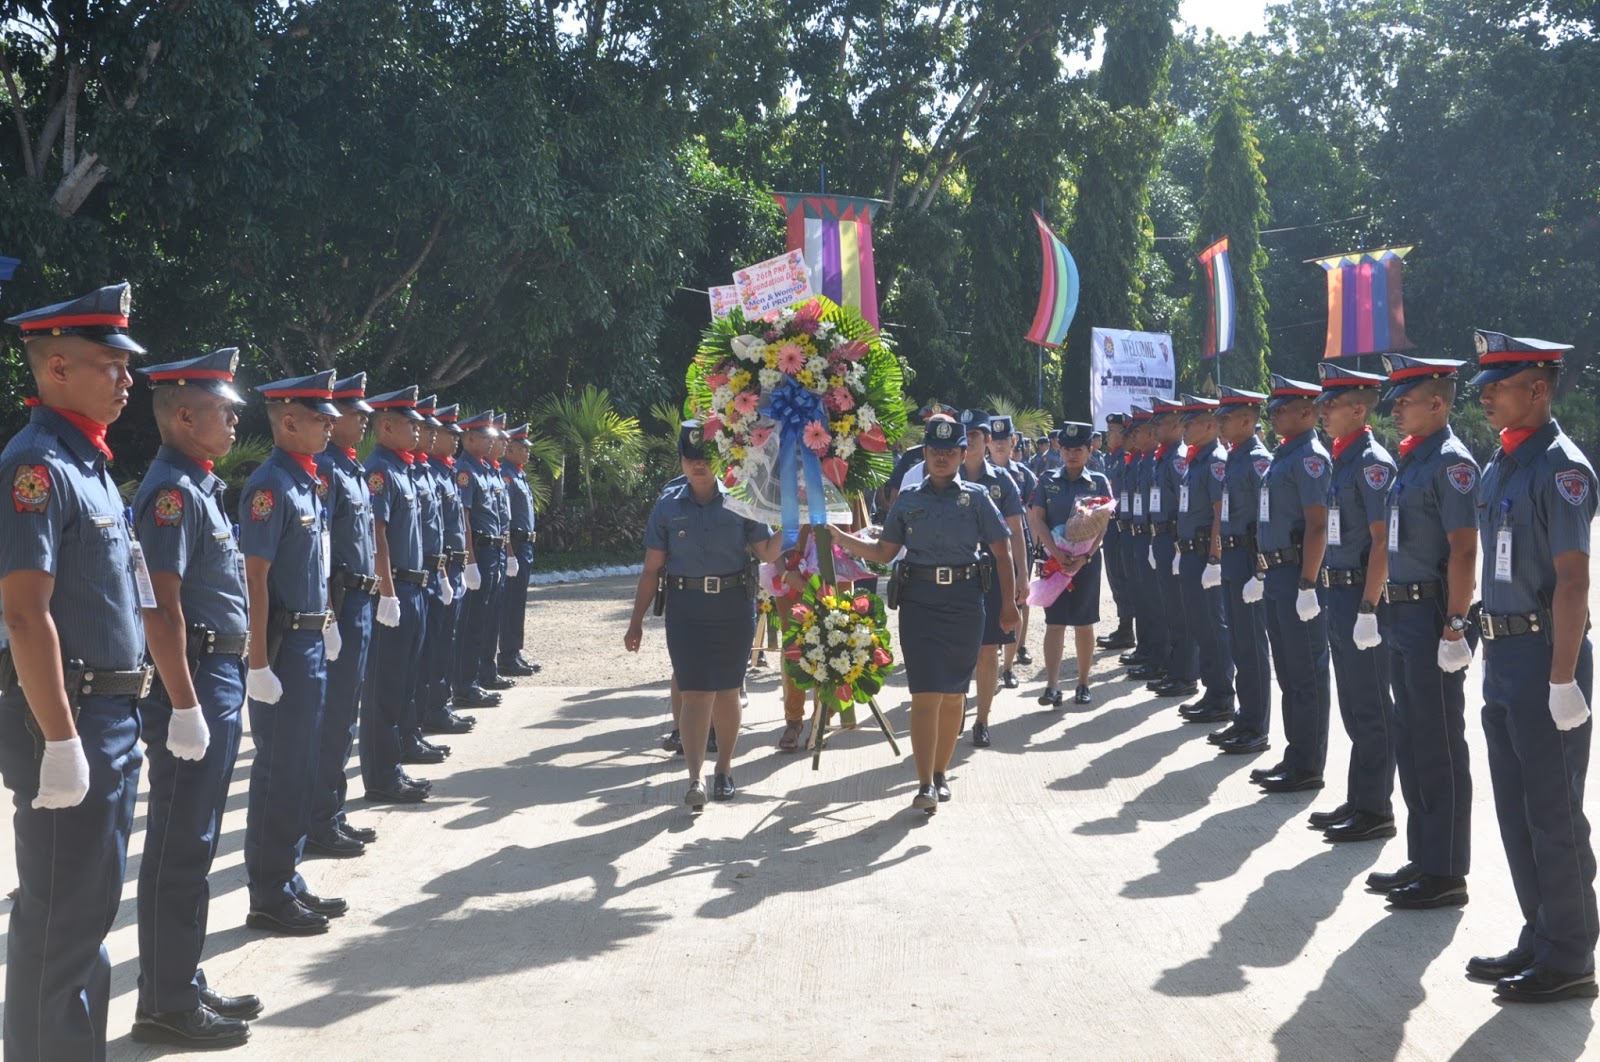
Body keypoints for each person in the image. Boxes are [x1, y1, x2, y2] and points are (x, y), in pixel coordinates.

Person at [0, 283, 151, 1059]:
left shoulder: (88, 464)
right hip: (69, 718)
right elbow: (27, 613)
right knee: (57, 923)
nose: (127, 380)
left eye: (128, 366)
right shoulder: (34, 465)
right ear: (56, 366)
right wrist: (60, 737)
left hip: (110, 717)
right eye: (110, 364)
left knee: (87, 918)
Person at [130, 349, 256, 1047]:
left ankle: (181, 979)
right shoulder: (172, 493)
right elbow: (162, 607)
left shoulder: (197, 487)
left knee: (196, 840)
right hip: (196, 677)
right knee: (181, 842)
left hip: (215, 676)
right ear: (184, 416)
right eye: (222, 408)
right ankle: (165, 1003)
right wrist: (183, 703)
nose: (235, 418)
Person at [1468, 329, 1598, 1001]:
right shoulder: (1500, 466)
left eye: (1499, 386)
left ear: (1539, 389)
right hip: (1504, 653)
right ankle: (1541, 933)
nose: (1486, 398)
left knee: (1553, 811)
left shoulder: (1561, 468)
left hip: (1548, 655)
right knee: (1518, 811)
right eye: (1483, 388)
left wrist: (1562, 679)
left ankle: (1572, 955)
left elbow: (1573, 581)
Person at [833, 415, 1018, 811]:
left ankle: (940, 772)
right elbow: (884, 552)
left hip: (967, 602)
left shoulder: (978, 498)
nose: (941, 458)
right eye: (935, 451)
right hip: (919, 601)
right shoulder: (909, 499)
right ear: (926, 453)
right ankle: (923, 784)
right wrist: (839, 537)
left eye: (950, 452)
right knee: (924, 694)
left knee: (953, 695)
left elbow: (1002, 552)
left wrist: (1009, 605)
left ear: (962, 454)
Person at [1368, 353, 1479, 910]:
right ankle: (1424, 855)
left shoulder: (1451, 462)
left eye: (1405, 402)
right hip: (1402, 613)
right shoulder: (1414, 461)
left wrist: (1456, 627)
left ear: (1437, 403)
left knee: (1437, 742)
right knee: (1412, 739)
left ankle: (1447, 871)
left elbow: (1463, 549)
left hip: (1435, 614)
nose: (1397, 413)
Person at [238, 370, 345, 935]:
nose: (330, 425)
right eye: (319, 417)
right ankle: (268, 892)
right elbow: (255, 576)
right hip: (281, 648)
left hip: (309, 641)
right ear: (288, 421)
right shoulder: (270, 485)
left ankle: (289, 874)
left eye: (331, 416)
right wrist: (257, 659)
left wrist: (326, 619)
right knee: (279, 769)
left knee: (302, 766)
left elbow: (317, 563)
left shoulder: (307, 482)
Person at [623, 422, 780, 808]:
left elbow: (767, 553)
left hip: (732, 607)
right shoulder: (667, 506)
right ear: (681, 461)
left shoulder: (743, 498)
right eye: (691, 459)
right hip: (686, 608)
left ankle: (724, 769)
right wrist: (636, 621)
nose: (698, 466)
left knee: (727, 691)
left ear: (721, 460)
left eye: (706, 458)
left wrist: (796, 523)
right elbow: (650, 569)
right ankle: (695, 779)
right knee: (694, 693)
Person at [1308, 364, 1398, 843]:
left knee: (1371, 706)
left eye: (1331, 405)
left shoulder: (1372, 462)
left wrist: (1369, 607)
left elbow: (1383, 543)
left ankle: (1377, 807)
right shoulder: (1342, 459)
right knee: (1354, 703)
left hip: (1363, 598)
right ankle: (1360, 797)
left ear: (1358, 409)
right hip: (1338, 592)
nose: (1322, 414)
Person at [1239, 375, 1332, 795]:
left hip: (1298, 574)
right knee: (1289, 674)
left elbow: (1316, 526)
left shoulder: (1310, 457)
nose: (1274, 415)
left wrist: (1308, 584)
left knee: (1306, 674)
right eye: (1272, 409)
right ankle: (1295, 756)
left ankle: (1309, 764)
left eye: (1282, 409)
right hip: (1277, 574)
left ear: (1307, 413)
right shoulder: (1283, 455)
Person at [307, 372, 380, 859]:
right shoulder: (328, 470)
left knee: (345, 716)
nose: (363, 421)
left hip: (361, 602)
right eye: (357, 414)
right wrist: (329, 614)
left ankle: (333, 812)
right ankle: (319, 820)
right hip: (342, 600)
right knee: (332, 719)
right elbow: (323, 552)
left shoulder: (350, 469)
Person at [360, 386, 436, 804]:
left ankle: (397, 760)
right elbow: (378, 536)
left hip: (416, 585)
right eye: (411, 424)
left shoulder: (403, 469)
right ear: (386, 426)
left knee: (405, 680)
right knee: (384, 688)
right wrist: (387, 591)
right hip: (396, 589)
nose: (418, 432)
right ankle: (381, 778)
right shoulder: (380, 471)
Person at [1207, 387, 1274, 757]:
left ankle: (1256, 726)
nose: (1220, 424)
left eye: (1226, 418)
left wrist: (1260, 571)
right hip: (1233, 559)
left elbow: (1266, 520)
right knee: (1239, 644)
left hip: (1249, 559)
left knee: (1251, 645)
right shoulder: (1236, 457)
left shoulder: (1257, 461)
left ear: (1247, 420)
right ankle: (1244, 717)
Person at [956, 410, 1027, 747]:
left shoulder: (1002, 481)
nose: (970, 439)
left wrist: (1022, 576)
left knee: (987, 651)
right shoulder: (943, 475)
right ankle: (955, 709)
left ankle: (981, 719)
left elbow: (1015, 533)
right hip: (955, 574)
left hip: (993, 573)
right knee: (957, 648)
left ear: (987, 440)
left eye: (977, 434)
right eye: (965, 433)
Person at [1027, 422, 1110, 706]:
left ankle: (1083, 683)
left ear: (1089, 451)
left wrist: (1085, 556)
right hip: (1054, 561)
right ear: (1060, 450)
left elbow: (1102, 525)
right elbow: (1037, 517)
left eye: (1078, 449)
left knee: (1084, 623)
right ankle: (1051, 685)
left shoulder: (1098, 482)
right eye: (1067, 449)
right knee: (1055, 623)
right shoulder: (1047, 479)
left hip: (1085, 563)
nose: (1072, 455)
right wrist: (1054, 551)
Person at [1171, 395, 1235, 724]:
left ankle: (1223, 695)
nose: (1184, 429)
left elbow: (1218, 515)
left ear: (1210, 425)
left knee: (1213, 626)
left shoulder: (1215, 462)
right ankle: (1212, 692)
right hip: (1191, 553)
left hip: (1205, 555)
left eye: (1190, 423)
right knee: (1200, 623)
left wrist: (1214, 558)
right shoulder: (1197, 461)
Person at [420, 403, 478, 735]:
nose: (453, 440)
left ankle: (440, 706)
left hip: (450, 568)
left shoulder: (446, 471)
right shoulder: (433, 473)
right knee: (434, 645)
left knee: (446, 641)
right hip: (435, 570)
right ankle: (433, 709)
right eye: (446, 434)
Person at [454, 411, 510, 707]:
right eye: (486, 438)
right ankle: (465, 683)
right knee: (473, 621)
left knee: (487, 618)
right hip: (481, 549)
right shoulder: (465, 471)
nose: (492, 443)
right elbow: (465, 518)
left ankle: (481, 674)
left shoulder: (487, 469)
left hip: (495, 550)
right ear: (470, 438)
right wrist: (470, 560)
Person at [1146, 398, 1194, 697]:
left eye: (1160, 424)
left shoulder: (1177, 459)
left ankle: (1185, 674)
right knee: (1168, 608)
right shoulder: (1163, 457)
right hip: (1161, 538)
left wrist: (1178, 545)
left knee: (1179, 612)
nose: (1155, 430)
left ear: (1177, 425)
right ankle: (1176, 669)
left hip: (1174, 539)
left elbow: (1182, 507)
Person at [987, 414, 1038, 675]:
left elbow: (1035, 515)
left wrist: (1037, 552)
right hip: (988, 546)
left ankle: (1019, 645)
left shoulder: (1024, 476)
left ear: (1013, 440)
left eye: (1004, 439)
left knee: (1021, 597)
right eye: (994, 440)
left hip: (1019, 543)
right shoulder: (976, 472)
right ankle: (993, 644)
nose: (998, 444)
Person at [498, 422, 540, 676]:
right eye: (522, 447)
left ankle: (515, 650)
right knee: (511, 602)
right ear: (510, 449)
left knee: (518, 601)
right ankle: (507, 655)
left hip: (525, 545)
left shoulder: (518, 474)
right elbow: (507, 520)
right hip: (514, 543)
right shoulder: (506, 475)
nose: (527, 452)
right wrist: (510, 554)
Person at [1096, 415, 1137, 652]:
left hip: (1125, 525)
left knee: (1126, 577)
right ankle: (1124, 627)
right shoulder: (1110, 459)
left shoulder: (1127, 458)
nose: (1107, 435)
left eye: (1111, 431)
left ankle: (1128, 629)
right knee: (1114, 576)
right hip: (1112, 525)